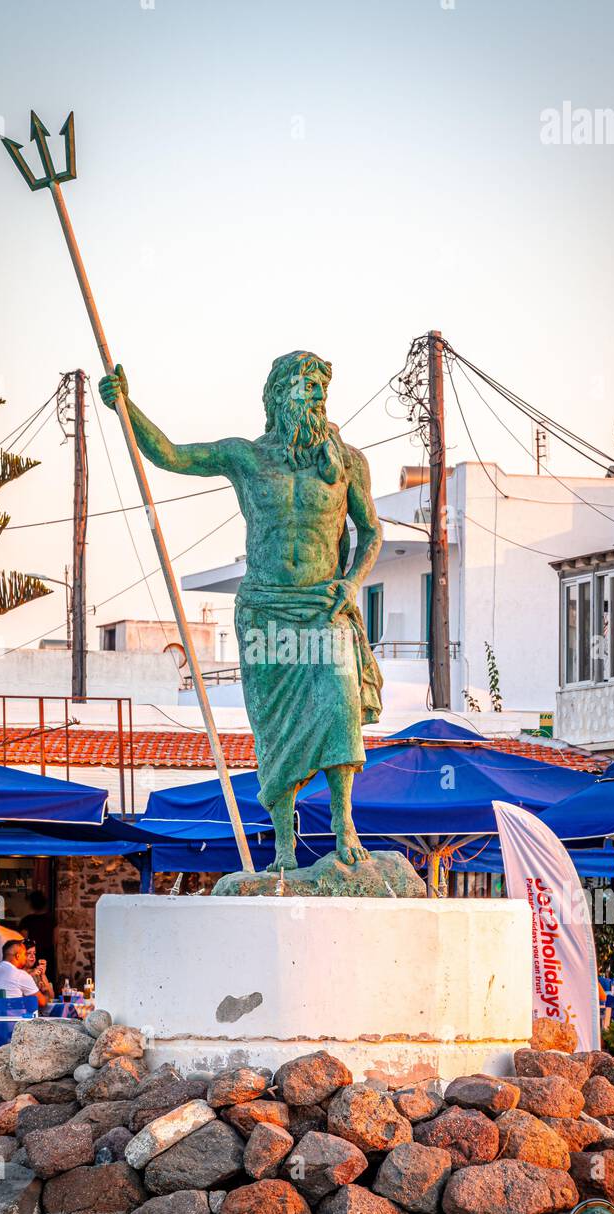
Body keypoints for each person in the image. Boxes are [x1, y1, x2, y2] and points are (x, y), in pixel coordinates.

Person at [99, 351, 384, 872]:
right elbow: (171, 455)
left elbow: (372, 531)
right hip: (266, 609)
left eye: (323, 388)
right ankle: (281, 845)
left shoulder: (346, 461)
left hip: (323, 605)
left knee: (339, 705)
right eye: (308, 387)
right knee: (275, 728)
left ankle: (344, 824)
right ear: (279, 394)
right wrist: (125, 406)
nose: (318, 397)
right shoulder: (246, 457)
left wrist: (352, 581)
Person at [0, 939, 50, 1006]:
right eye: (25, 954)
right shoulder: (20, 975)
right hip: (10, 1016)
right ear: (18, 956)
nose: (26, 958)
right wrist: (46, 991)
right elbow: (42, 1002)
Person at [18, 890, 56, 982]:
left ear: (31, 904)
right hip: (48, 954)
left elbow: (24, 941)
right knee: (47, 980)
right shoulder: (52, 919)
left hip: (32, 955)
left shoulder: (26, 921)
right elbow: (56, 941)